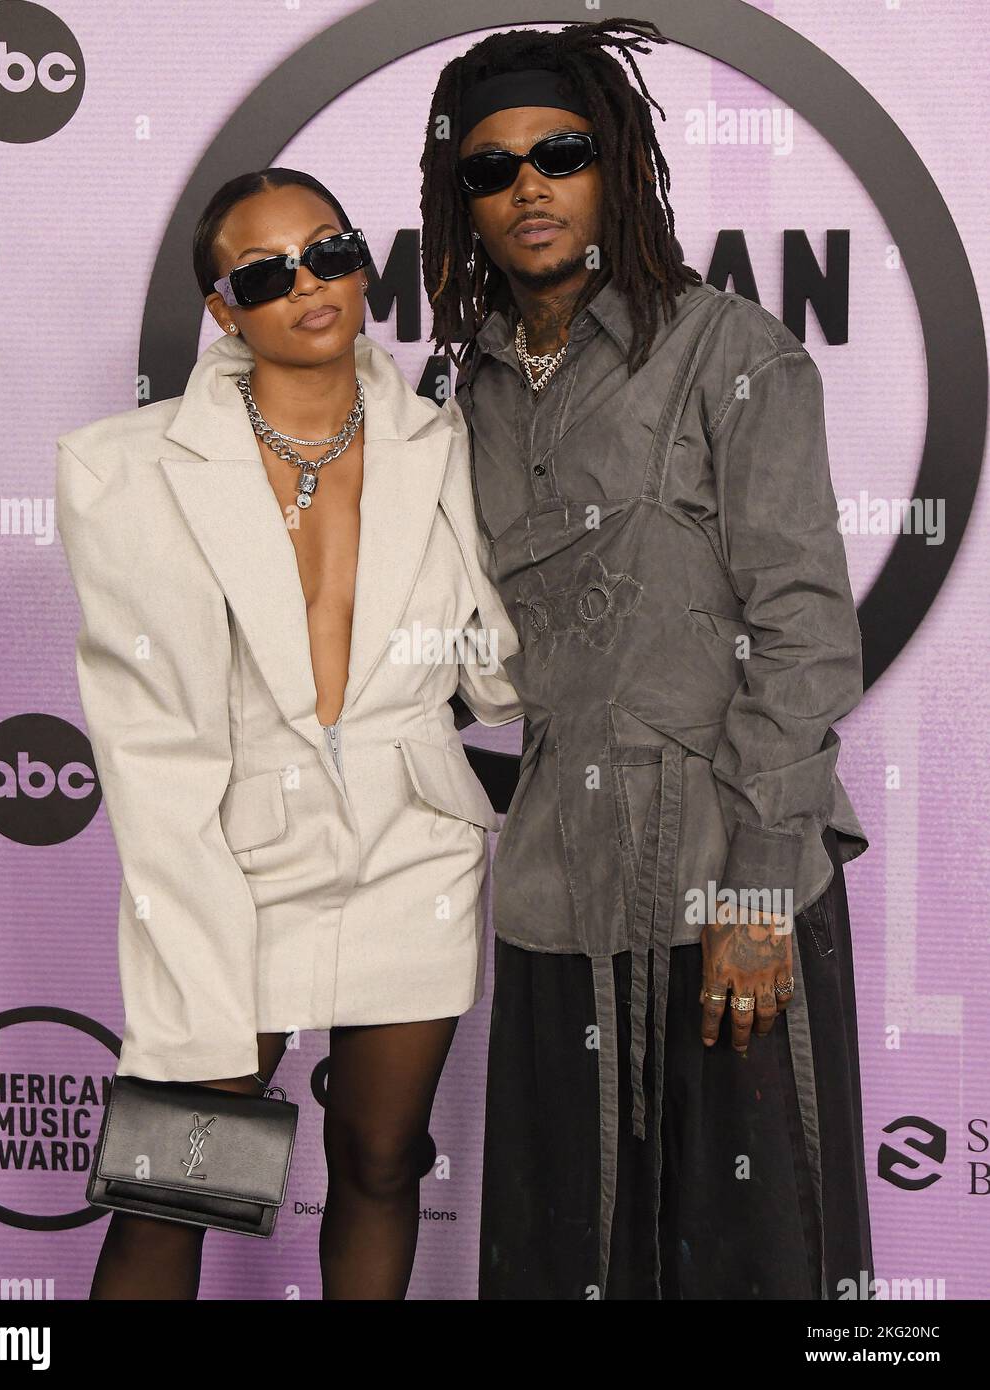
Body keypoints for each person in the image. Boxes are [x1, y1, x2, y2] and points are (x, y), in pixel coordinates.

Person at [420, 17, 874, 1299]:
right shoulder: (467, 398)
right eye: (489, 170)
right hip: (560, 890)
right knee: (564, 1258)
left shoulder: (732, 354)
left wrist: (757, 896)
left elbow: (799, 628)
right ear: (461, 201)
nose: (527, 189)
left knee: (755, 1263)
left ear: (611, 164)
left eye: (556, 154)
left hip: (727, 882)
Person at [55, 167, 524, 1299]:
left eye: (328, 251)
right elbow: (148, 736)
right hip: (227, 854)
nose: (308, 284)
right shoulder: (120, 468)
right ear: (225, 310)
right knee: (178, 1182)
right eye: (266, 272)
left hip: (413, 843)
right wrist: (185, 908)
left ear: (364, 260)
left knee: (378, 1161)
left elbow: (497, 672)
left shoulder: (452, 440)